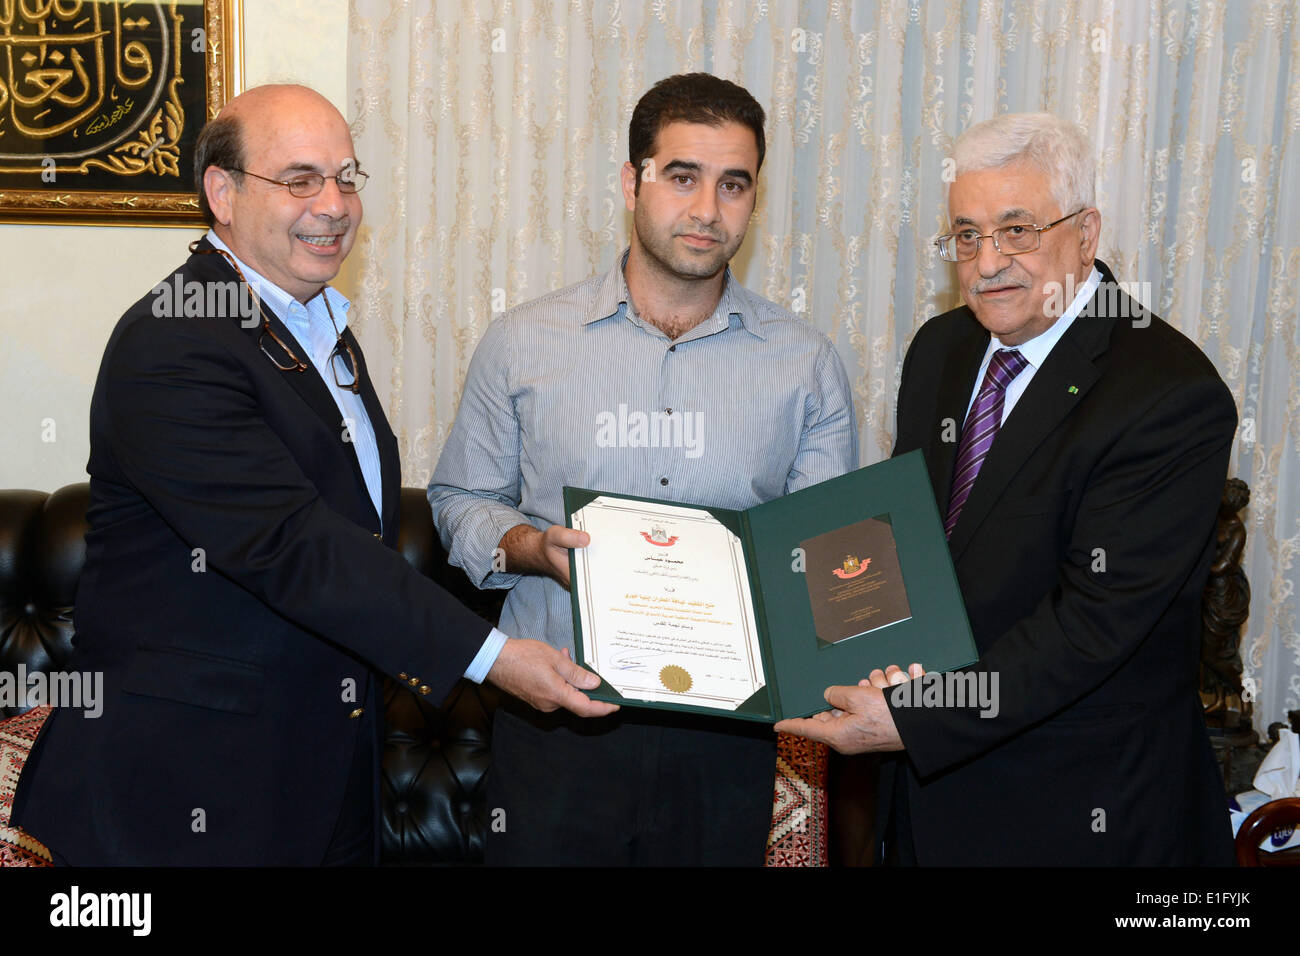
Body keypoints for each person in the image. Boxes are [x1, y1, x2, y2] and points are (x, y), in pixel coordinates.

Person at [12, 84, 612, 866]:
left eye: (347, 177)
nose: (334, 205)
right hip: (184, 792)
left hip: (316, 770)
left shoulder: (311, 324)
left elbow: (349, 530)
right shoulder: (173, 340)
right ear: (221, 194)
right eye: (300, 180)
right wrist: (493, 657)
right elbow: (291, 543)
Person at [777, 112, 1237, 866]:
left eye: (1017, 231)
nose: (987, 262)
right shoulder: (942, 349)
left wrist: (920, 713)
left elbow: (1092, 628)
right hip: (928, 799)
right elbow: (919, 547)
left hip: (1077, 811)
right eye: (966, 234)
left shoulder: (1167, 391)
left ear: (1086, 234)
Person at [429, 72, 857, 865]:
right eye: (682, 177)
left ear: (756, 199)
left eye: (734, 185)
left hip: (727, 736)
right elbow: (459, 497)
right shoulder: (525, 342)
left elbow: (826, 557)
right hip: (557, 717)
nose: (706, 210)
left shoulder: (808, 365)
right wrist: (529, 547)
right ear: (632, 182)